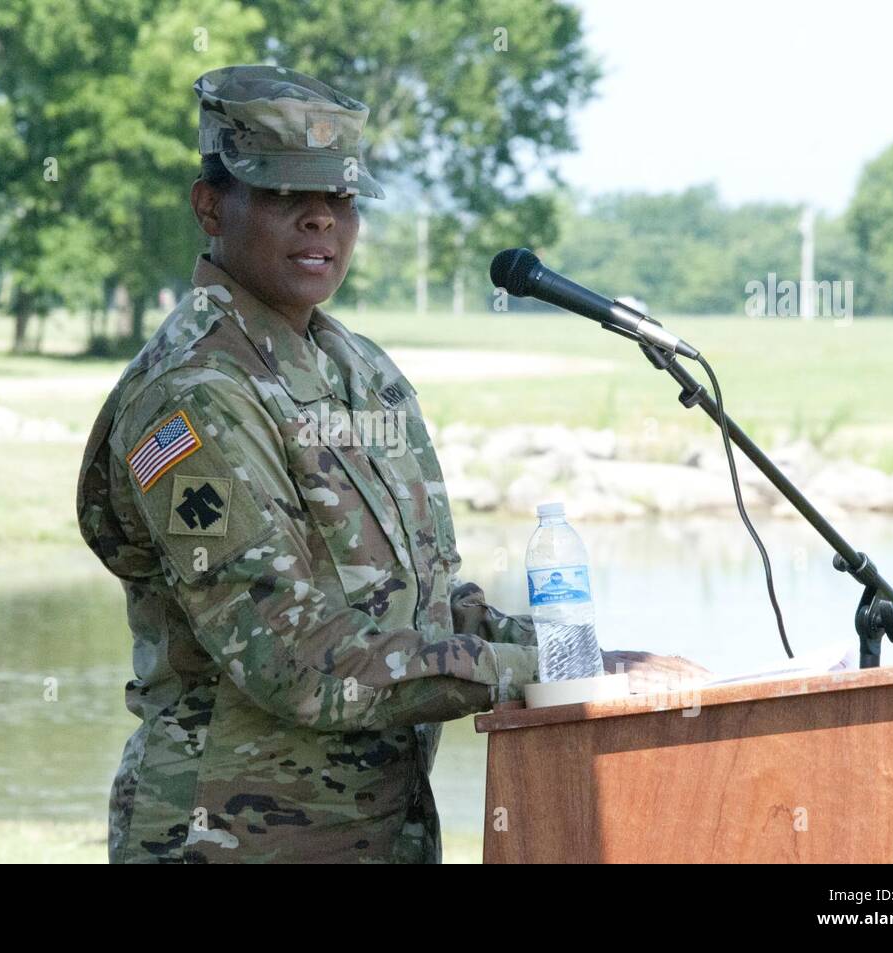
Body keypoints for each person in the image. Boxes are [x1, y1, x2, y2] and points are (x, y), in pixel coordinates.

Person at [77, 63, 707, 864]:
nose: (320, 222)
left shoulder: (360, 371)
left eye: (340, 200)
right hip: (228, 840)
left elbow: (429, 605)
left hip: (385, 835)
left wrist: (593, 661)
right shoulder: (192, 397)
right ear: (211, 207)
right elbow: (291, 655)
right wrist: (539, 666)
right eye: (283, 196)